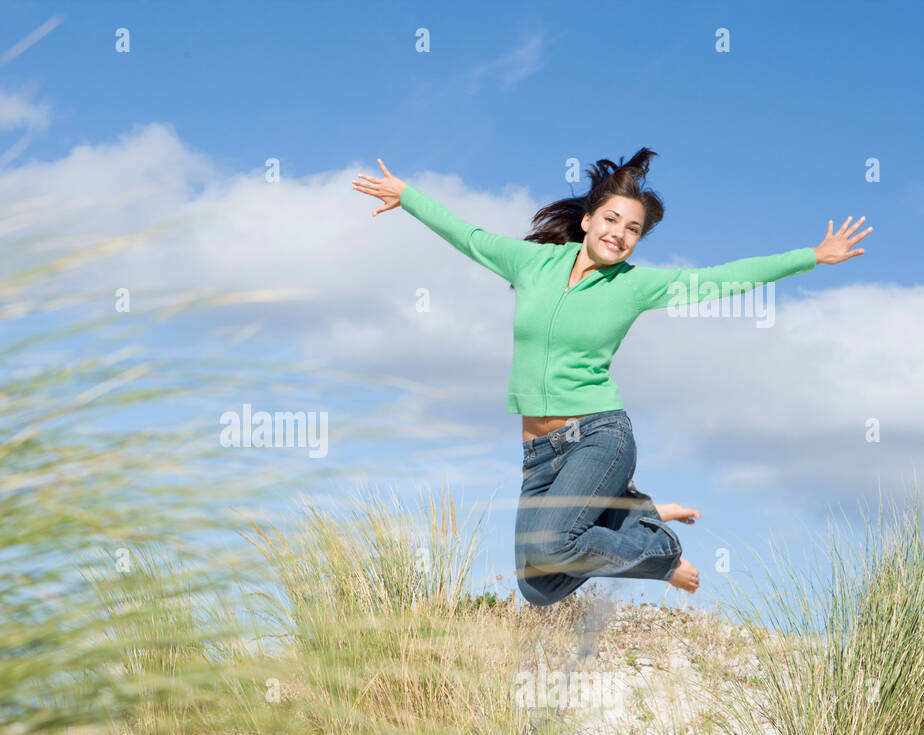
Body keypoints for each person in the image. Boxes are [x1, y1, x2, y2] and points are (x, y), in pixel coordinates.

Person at [351, 148, 871, 607]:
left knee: (552, 544)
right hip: (538, 453)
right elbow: (469, 236)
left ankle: (659, 552)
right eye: (611, 219)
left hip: (598, 435)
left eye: (633, 229)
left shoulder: (634, 286)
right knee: (537, 586)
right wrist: (407, 195)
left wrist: (811, 257)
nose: (619, 234)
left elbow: (721, 279)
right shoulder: (531, 263)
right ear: (587, 220)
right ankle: (635, 514)